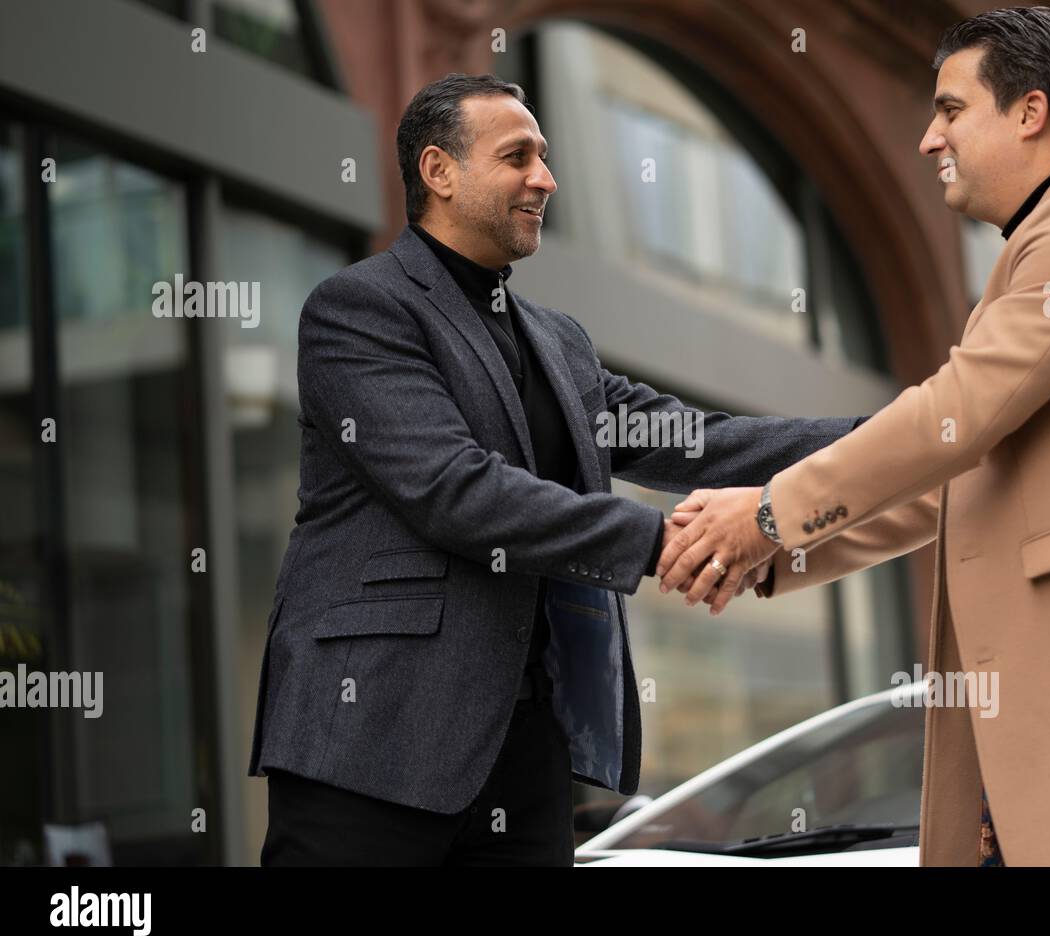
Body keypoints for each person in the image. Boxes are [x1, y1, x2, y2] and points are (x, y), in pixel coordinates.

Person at [658, 6, 1050, 867]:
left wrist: (769, 514)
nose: (930, 139)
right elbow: (957, 479)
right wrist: (770, 555)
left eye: (952, 109)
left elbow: (951, 416)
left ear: (1030, 112)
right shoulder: (1040, 251)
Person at [249, 73, 864, 866]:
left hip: (526, 745)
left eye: (544, 156)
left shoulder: (556, 338)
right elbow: (455, 492)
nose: (546, 178)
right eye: (518, 157)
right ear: (439, 172)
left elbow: (686, 438)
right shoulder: (359, 309)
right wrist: (669, 541)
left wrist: (891, 438)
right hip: (372, 735)